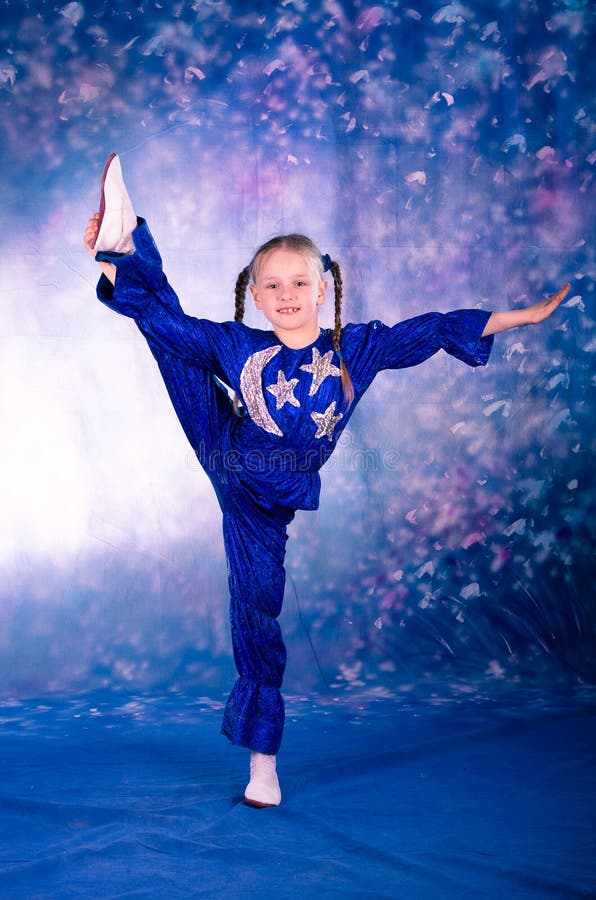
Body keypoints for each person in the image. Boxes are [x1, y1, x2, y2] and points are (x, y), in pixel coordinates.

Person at [84, 154, 570, 808]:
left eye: (298, 284)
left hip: (264, 507)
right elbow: (169, 325)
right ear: (256, 295)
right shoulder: (241, 346)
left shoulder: (357, 351)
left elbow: (430, 331)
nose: (286, 296)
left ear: (322, 289)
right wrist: (115, 269)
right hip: (224, 449)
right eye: (272, 286)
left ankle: (263, 761)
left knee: (258, 606)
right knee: (173, 343)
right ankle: (122, 245)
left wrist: (522, 318)